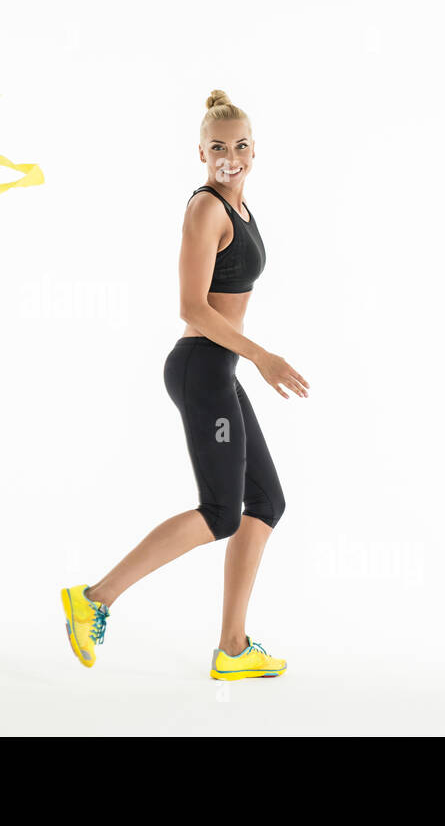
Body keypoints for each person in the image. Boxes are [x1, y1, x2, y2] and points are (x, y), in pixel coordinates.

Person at [60, 89, 310, 680]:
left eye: (241, 145)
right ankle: (92, 600)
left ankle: (232, 650)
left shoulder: (240, 208)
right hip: (203, 366)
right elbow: (192, 309)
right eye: (218, 147)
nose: (231, 155)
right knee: (223, 512)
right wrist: (264, 357)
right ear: (200, 152)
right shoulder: (206, 210)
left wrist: (248, 360)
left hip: (217, 369)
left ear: (255, 151)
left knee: (265, 503)